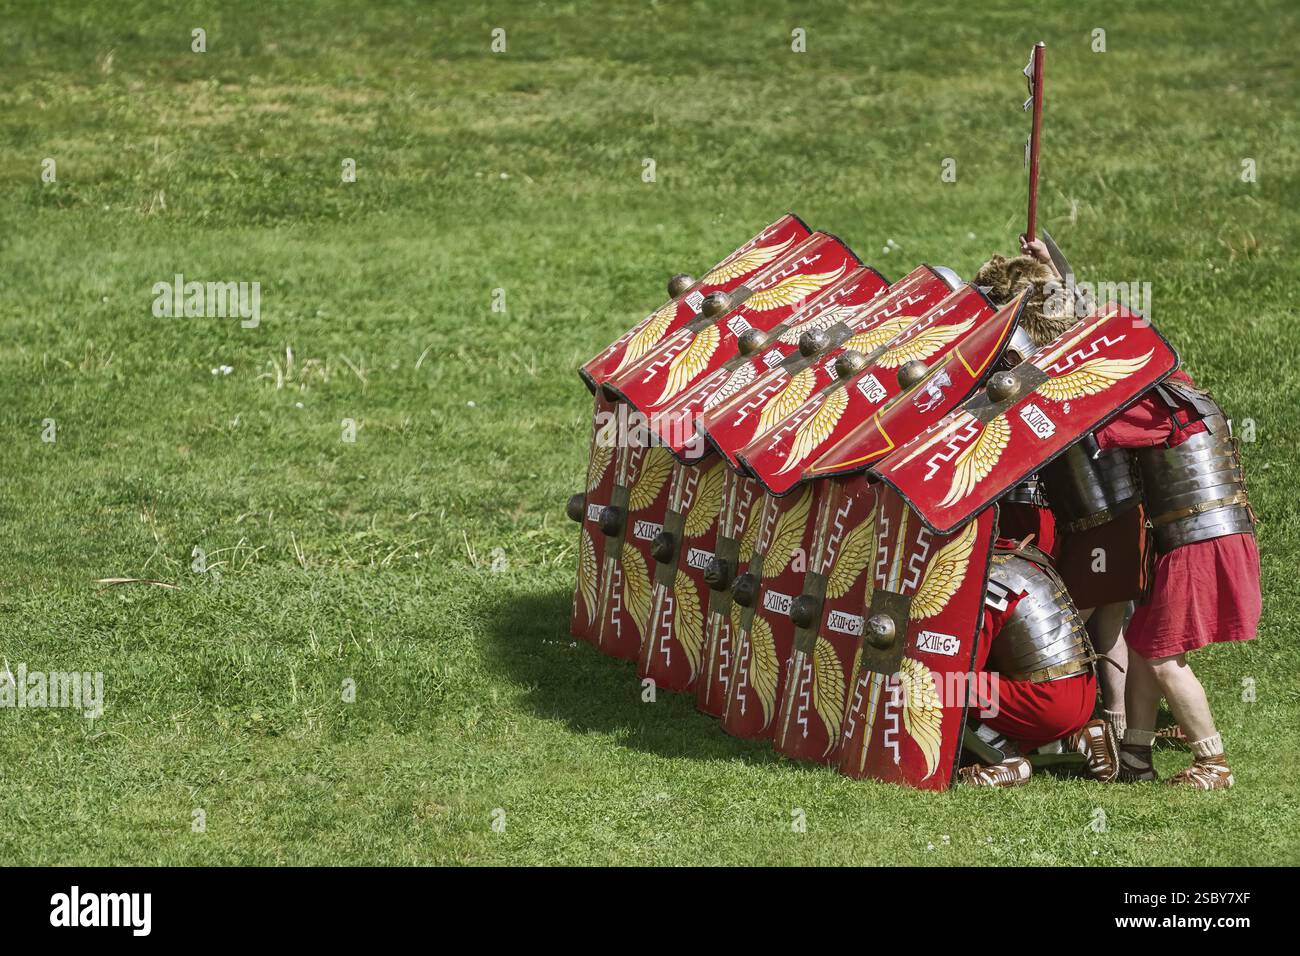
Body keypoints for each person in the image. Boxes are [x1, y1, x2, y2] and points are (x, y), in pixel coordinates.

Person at [1023, 235, 1261, 789]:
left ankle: (1211, 762)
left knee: (1157, 651)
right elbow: (1096, 342)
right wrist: (1056, 272)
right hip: (1197, 534)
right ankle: (1134, 757)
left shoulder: (1147, 408)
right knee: (1151, 638)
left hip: (1197, 535)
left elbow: (1074, 401)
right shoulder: (1172, 390)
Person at [959, 540, 1117, 787]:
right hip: (1082, 692)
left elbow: (964, 664)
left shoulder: (992, 575)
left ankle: (1006, 760)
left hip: (1047, 701)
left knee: (943, 682)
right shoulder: (1024, 558)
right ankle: (1074, 741)